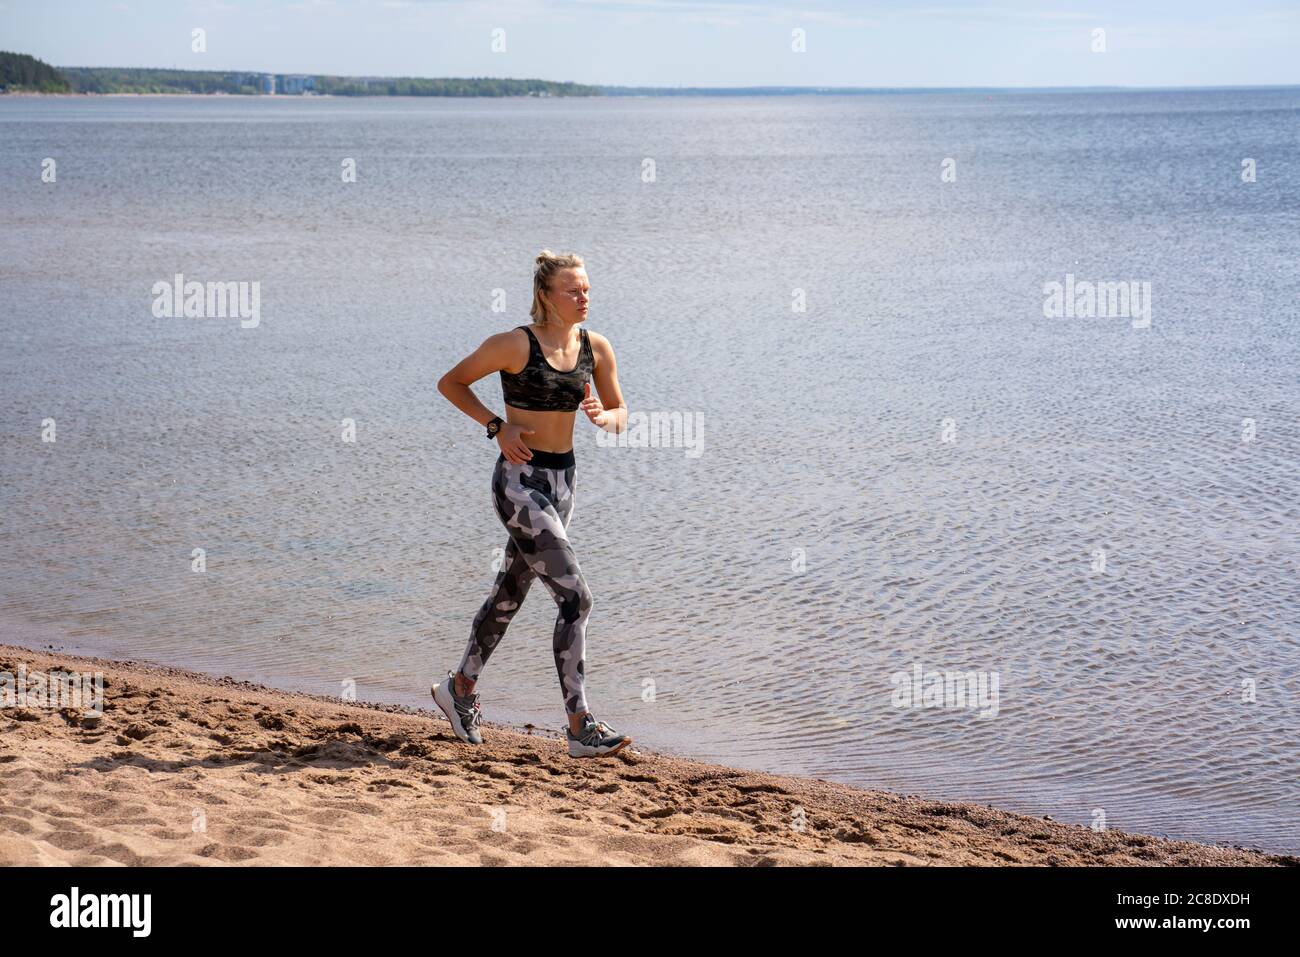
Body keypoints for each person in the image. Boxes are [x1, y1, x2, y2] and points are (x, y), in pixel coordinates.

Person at [432, 250, 632, 757]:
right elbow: (451, 382)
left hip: (564, 481)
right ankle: (579, 725)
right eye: (573, 289)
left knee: (510, 593)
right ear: (546, 294)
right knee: (575, 597)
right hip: (520, 481)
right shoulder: (513, 344)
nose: (584, 296)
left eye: (586, 288)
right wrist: (496, 428)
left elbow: (620, 412)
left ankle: (459, 691)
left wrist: (600, 417)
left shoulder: (597, 346)